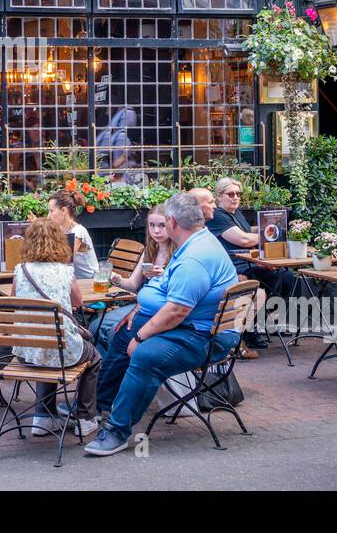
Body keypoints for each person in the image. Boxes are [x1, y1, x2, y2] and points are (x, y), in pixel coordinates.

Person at [86, 193, 239, 457]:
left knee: (144, 354)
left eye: (163, 222)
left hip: (205, 336)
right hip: (197, 327)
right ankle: (105, 404)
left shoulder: (194, 258)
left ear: (172, 222)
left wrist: (142, 337)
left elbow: (176, 311)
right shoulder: (197, 243)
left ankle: (116, 429)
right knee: (121, 333)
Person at [14, 218, 103, 437]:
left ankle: (42, 418)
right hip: (62, 351)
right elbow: (78, 303)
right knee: (94, 358)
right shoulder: (65, 271)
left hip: (27, 352)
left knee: (46, 348)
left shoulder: (20, 270)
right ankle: (85, 417)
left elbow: (13, 300)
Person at [206, 176, 296, 349]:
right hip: (234, 265)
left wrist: (273, 224)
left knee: (286, 275)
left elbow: (250, 232)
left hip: (248, 261)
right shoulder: (217, 215)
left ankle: (260, 320)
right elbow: (244, 240)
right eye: (230, 194)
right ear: (219, 196)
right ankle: (250, 329)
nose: (235, 197)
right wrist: (272, 233)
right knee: (273, 277)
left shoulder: (235, 213)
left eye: (238, 194)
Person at [95, 208, 171, 353]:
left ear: (172, 224)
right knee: (95, 327)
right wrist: (117, 279)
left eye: (162, 225)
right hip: (140, 305)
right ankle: (102, 371)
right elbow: (133, 285)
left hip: (158, 309)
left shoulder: (178, 252)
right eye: (151, 225)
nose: (156, 231)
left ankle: (122, 368)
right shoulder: (150, 250)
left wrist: (163, 276)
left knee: (113, 333)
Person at [46, 189, 98, 279]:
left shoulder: (78, 232)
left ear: (63, 210)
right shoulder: (61, 229)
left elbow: (64, 260)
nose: (48, 216)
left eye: (51, 211)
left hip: (90, 281)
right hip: (75, 281)